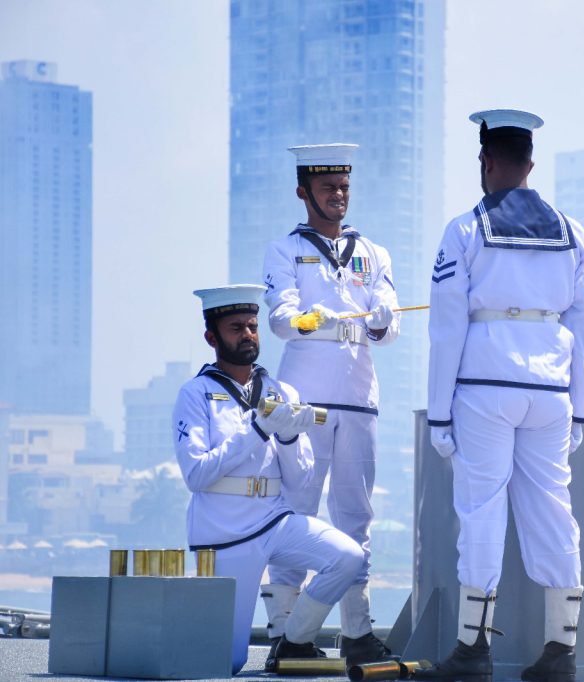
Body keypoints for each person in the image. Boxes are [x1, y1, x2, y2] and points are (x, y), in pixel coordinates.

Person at [420, 110, 584, 682]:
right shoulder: (572, 232)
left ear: (486, 161)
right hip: (549, 388)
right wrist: (579, 408)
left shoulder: (465, 230)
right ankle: (561, 651)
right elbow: (583, 323)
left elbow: (446, 328)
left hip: (485, 388)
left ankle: (473, 650)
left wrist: (440, 414)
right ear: (530, 164)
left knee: (482, 508)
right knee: (553, 509)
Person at [172, 284, 368, 674]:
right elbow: (196, 474)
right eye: (235, 328)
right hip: (224, 531)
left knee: (348, 558)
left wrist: (291, 436)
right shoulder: (195, 394)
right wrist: (259, 429)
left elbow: (301, 484)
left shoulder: (282, 390)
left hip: (274, 520)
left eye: (252, 326)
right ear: (212, 337)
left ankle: (293, 641)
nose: (247, 334)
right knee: (224, 662)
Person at [260, 144, 400, 665]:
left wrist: (383, 316)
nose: (338, 196)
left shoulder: (374, 252)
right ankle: (285, 632)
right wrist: (308, 320)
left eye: (343, 187)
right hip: (305, 402)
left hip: (359, 400)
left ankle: (357, 631)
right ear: (304, 193)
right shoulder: (284, 250)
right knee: (298, 512)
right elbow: (279, 319)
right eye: (327, 188)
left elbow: (388, 330)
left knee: (356, 516)